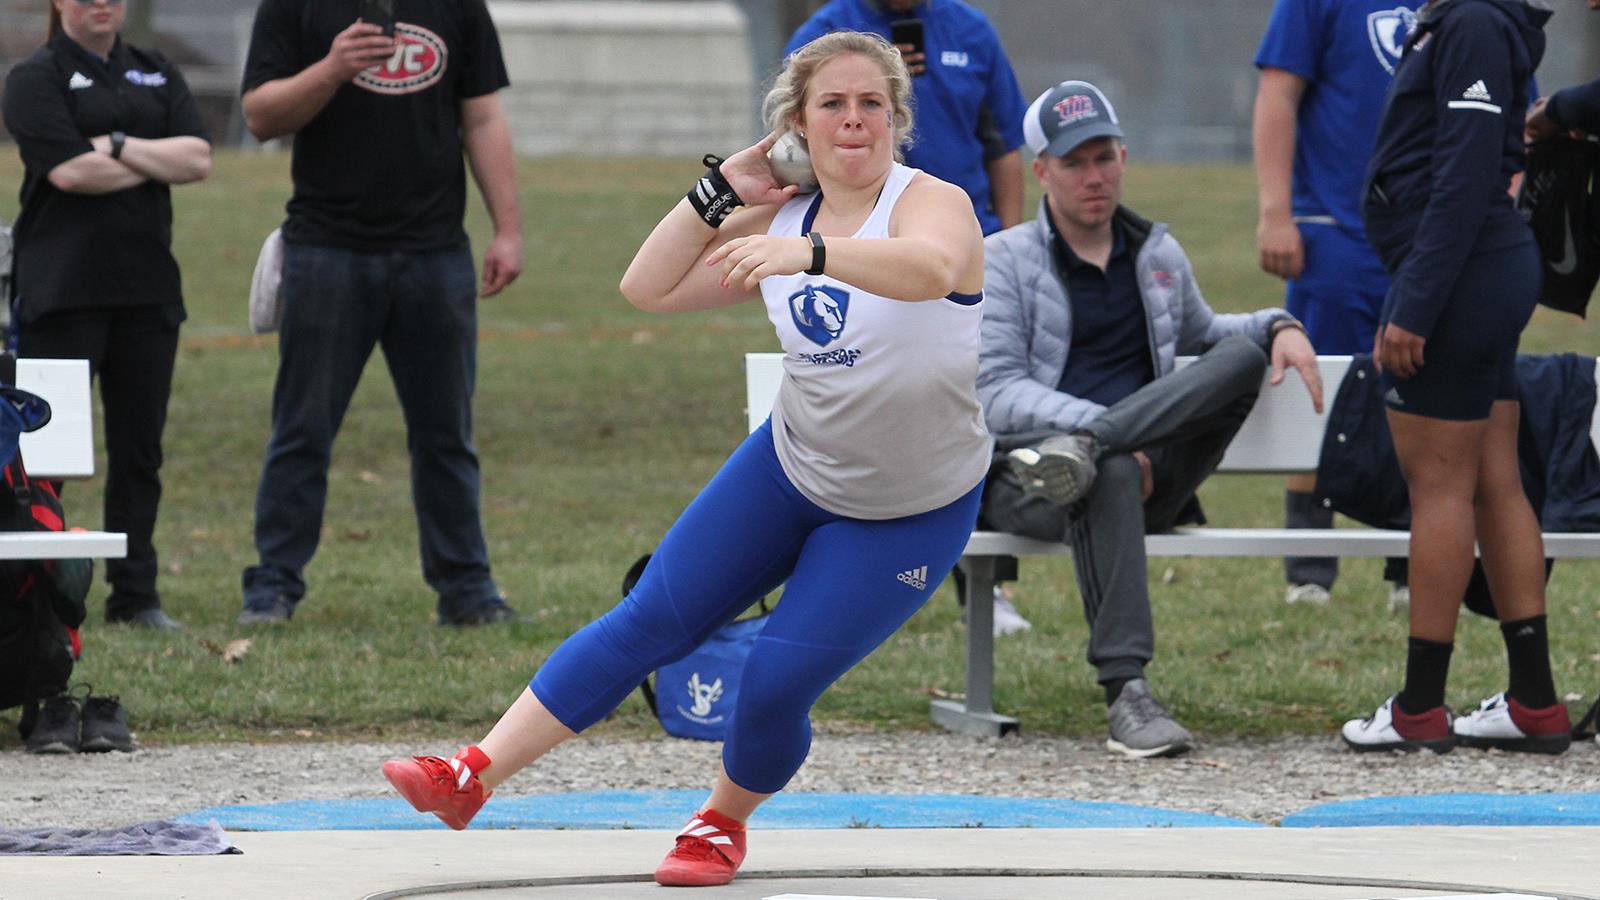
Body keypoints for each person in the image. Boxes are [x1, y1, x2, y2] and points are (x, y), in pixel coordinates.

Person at [382, 31, 988, 886]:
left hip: (908, 510)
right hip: (791, 468)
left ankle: (719, 823)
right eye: (832, 105)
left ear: (896, 118)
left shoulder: (933, 203)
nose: (854, 121)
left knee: (774, 682)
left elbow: (929, 271)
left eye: (871, 105)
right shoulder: (777, 215)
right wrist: (720, 192)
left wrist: (806, 252)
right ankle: (469, 776)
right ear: (796, 127)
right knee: (649, 621)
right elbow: (647, 287)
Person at [982, 81, 1322, 759]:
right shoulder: (1005, 261)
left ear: (1124, 158)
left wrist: (1278, 324)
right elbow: (995, 392)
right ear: (1042, 170)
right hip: (1033, 478)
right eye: (1075, 163)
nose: (1095, 177)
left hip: (1145, 474)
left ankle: (1096, 447)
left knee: (1238, 359)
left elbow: (1208, 333)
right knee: (1102, 467)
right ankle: (1127, 693)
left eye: (1105, 157)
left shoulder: (1157, 254)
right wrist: (1104, 433)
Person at [236, 0, 523, 626]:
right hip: (325, 249)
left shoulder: (457, 7)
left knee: (447, 435)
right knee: (303, 430)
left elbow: (481, 119)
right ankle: (273, 586)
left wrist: (507, 229)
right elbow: (260, 115)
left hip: (435, 254)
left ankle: (468, 591)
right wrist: (332, 68)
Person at [1341, 0, 1571, 755]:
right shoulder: (1468, 17)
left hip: (1460, 279)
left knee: (1439, 485)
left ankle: (1418, 708)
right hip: (1479, 274)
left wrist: (1415, 302)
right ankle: (1534, 701)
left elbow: (1467, 175)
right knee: (1494, 478)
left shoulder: (1471, 18)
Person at [2, 0, 213, 631]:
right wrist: (151, 159)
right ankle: (32, 594)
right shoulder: (33, 77)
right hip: (61, 294)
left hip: (147, 295)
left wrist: (116, 144)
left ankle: (136, 595)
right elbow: (68, 172)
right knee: (43, 458)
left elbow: (199, 160)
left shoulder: (154, 69)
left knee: (139, 452)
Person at [1253, 0, 1416, 611]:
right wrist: (1276, 211)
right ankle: (1311, 568)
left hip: (1433, 240)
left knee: (1424, 402)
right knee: (1320, 396)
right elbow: (1278, 94)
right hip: (1335, 233)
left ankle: (1409, 564)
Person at [785, 0, 1026, 237]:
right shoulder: (824, 29)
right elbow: (792, 142)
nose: (853, 115)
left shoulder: (972, 30)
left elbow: (1004, 147)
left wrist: (1008, 244)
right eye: (833, 103)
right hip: (861, 236)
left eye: (870, 101)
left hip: (970, 227)